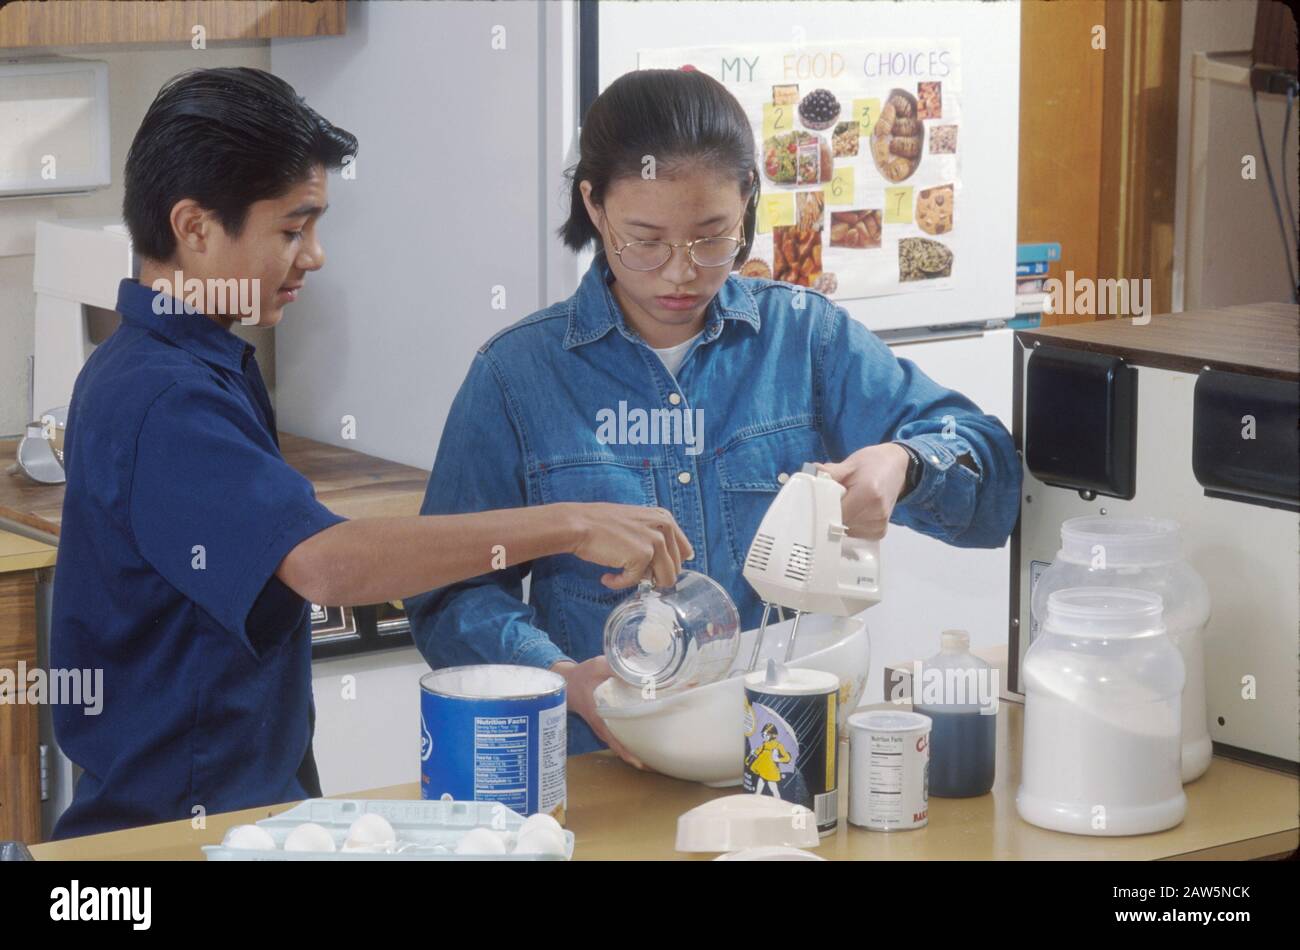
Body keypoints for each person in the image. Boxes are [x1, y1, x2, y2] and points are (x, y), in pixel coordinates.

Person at [49, 68, 689, 839]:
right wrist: (570, 524)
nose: (314, 256)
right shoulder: (164, 395)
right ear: (193, 227)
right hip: (175, 830)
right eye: (292, 228)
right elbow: (325, 564)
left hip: (238, 810)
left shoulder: (184, 364)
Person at [405, 67, 1021, 765]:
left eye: (711, 237)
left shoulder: (805, 338)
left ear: (748, 203)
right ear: (594, 206)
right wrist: (560, 677)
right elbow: (448, 593)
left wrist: (905, 465)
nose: (679, 271)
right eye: (644, 239)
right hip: (603, 769)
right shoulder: (516, 375)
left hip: (790, 757)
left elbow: (992, 486)